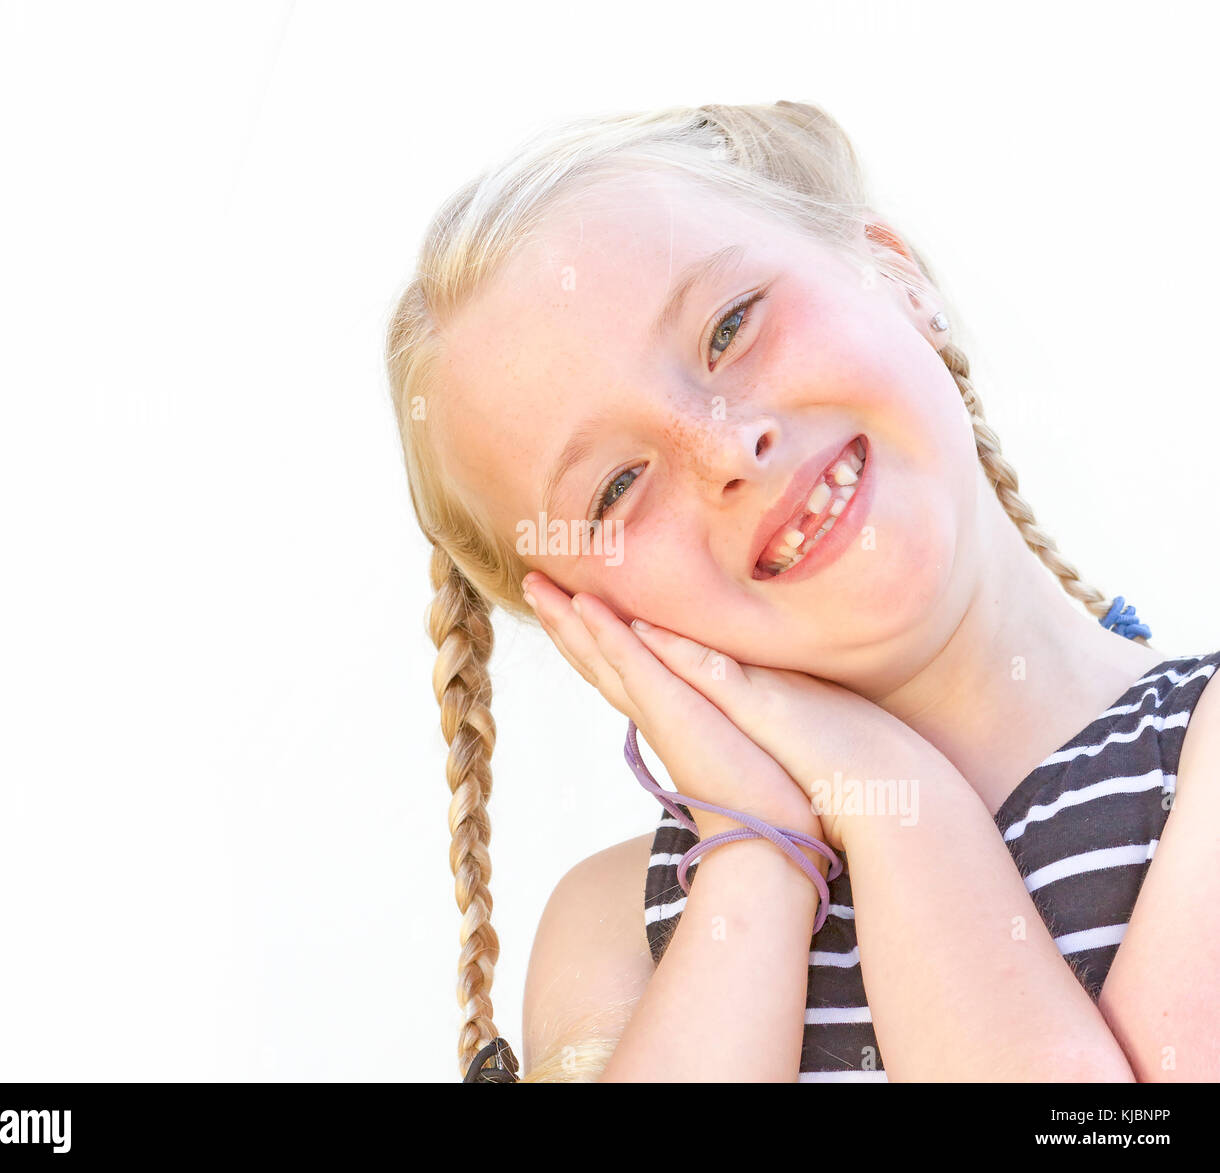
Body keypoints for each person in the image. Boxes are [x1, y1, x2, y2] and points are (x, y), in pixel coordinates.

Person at [384, 100, 1220, 1082]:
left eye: (730, 327)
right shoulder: (617, 932)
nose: (726, 447)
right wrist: (756, 870)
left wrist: (894, 800)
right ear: (584, 620)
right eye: (615, 487)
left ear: (896, 278)